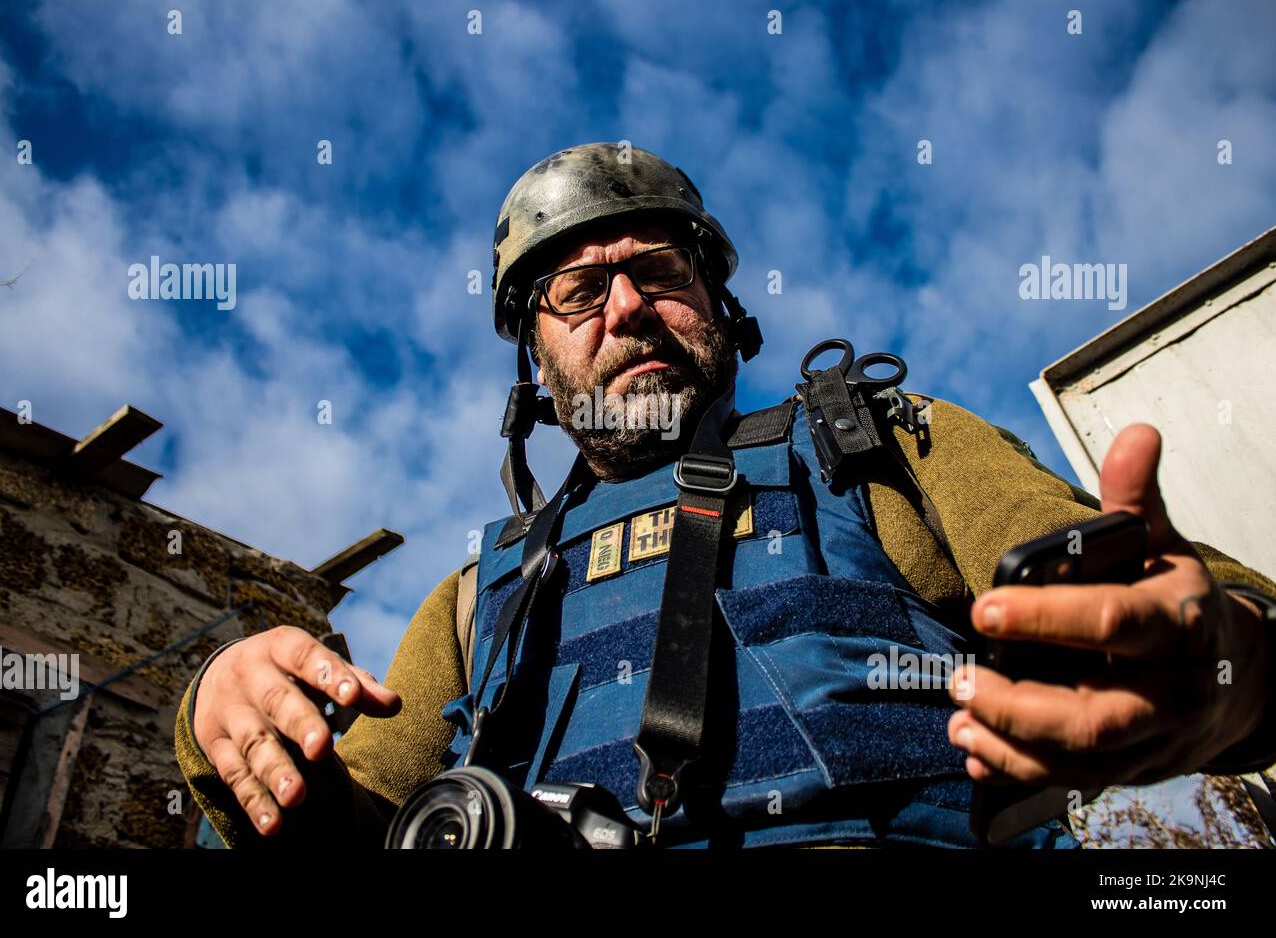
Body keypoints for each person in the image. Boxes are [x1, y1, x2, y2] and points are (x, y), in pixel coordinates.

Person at [175, 143, 1276, 849]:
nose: (629, 305)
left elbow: (1199, 621)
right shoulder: (476, 600)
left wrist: (1218, 665)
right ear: (536, 365)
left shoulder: (880, 446)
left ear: (719, 305)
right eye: (577, 289)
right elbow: (333, 826)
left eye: (660, 269)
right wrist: (214, 717)